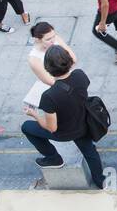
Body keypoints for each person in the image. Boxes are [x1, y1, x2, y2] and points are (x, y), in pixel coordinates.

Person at [21, 46, 105, 187]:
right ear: (69, 62)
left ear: (47, 68)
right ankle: (100, 180)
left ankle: (53, 158)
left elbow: (51, 127)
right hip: (84, 125)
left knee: (26, 127)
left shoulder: (49, 96)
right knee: (90, 152)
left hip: (64, 133)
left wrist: (34, 114)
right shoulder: (80, 75)